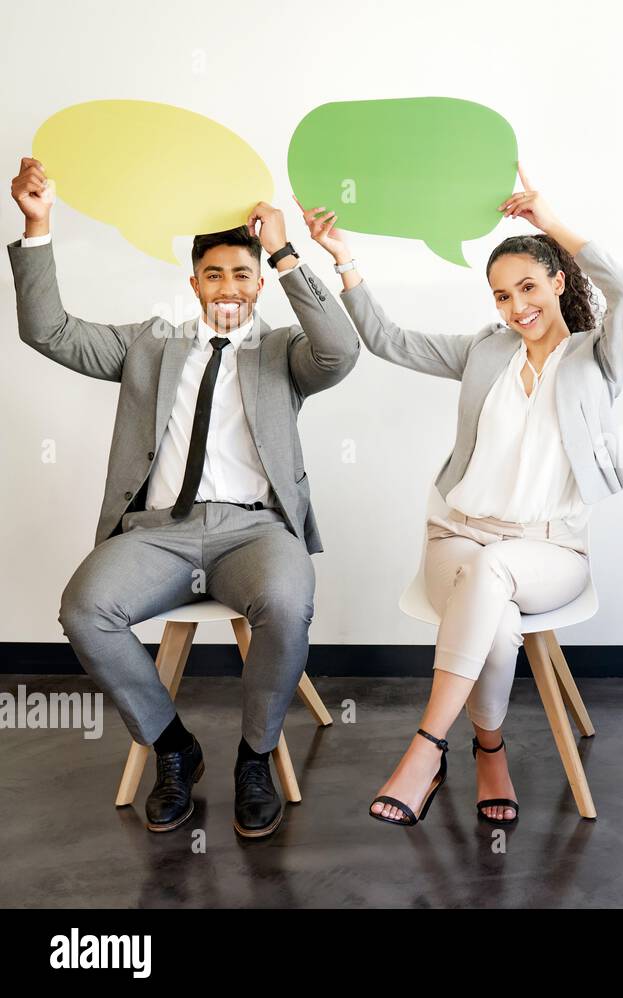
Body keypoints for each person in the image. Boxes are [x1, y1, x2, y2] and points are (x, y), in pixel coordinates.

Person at [7, 157, 360, 839]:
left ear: (261, 283)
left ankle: (255, 758)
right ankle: (174, 747)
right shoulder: (149, 344)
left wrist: (287, 252)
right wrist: (38, 223)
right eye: (215, 273)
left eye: (243, 273)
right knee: (85, 610)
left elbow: (342, 351)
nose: (228, 286)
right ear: (193, 280)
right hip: (157, 533)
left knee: (287, 601)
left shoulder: (284, 352)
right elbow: (46, 331)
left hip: (254, 534)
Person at [319, 171, 623, 826]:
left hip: (550, 552)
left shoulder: (596, 358)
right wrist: (344, 260)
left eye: (528, 286)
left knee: (494, 578)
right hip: (456, 538)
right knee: (491, 613)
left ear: (557, 281)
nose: (516, 305)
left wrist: (550, 220)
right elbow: (389, 341)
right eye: (502, 295)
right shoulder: (484, 352)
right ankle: (488, 749)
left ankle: (426, 747)